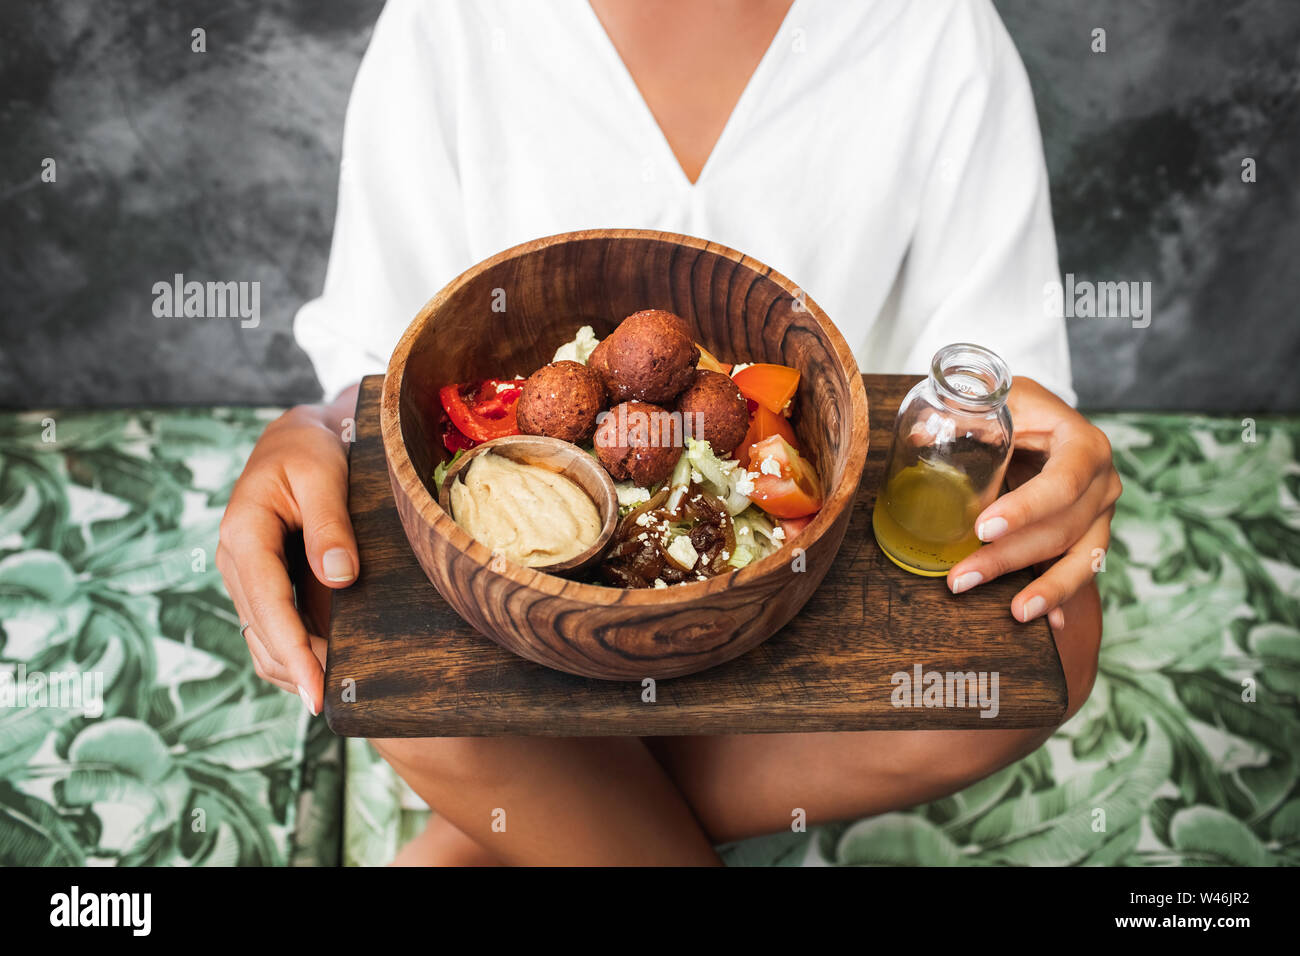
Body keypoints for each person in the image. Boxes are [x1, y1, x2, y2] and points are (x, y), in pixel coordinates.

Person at [218, 0, 1120, 865]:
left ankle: (543, 815)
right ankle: (568, 812)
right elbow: (376, 367)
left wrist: (1046, 462)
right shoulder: (450, 16)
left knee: (1058, 626)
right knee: (341, 581)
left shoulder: (935, 27)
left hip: (798, 588)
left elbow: (994, 377)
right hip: (519, 627)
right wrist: (312, 426)